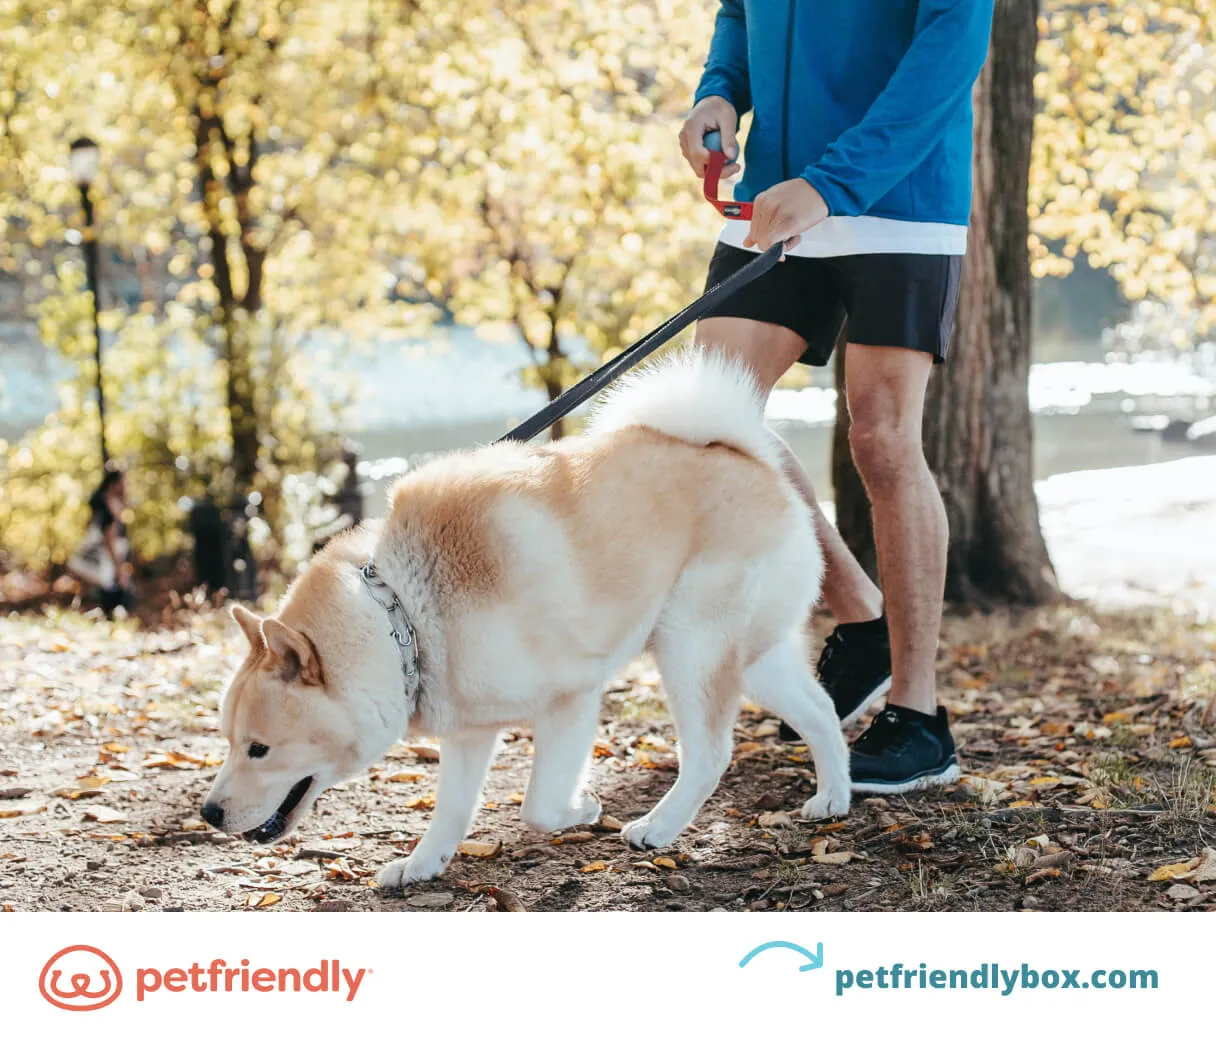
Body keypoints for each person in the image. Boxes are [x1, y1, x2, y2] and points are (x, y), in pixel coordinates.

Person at [681, 0, 994, 792]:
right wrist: (720, 91)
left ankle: (920, 720)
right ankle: (861, 615)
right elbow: (739, 13)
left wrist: (837, 181)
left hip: (902, 193)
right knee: (709, 420)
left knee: (883, 440)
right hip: (781, 191)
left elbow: (949, 51)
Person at [75, 467, 135, 617]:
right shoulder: (107, 505)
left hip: (107, 553)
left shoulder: (110, 502)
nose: (126, 485)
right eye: (123, 481)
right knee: (111, 587)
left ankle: (105, 615)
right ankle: (105, 615)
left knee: (111, 586)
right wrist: (117, 564)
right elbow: (109, 535)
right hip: (104, 554)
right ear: (114, 483)